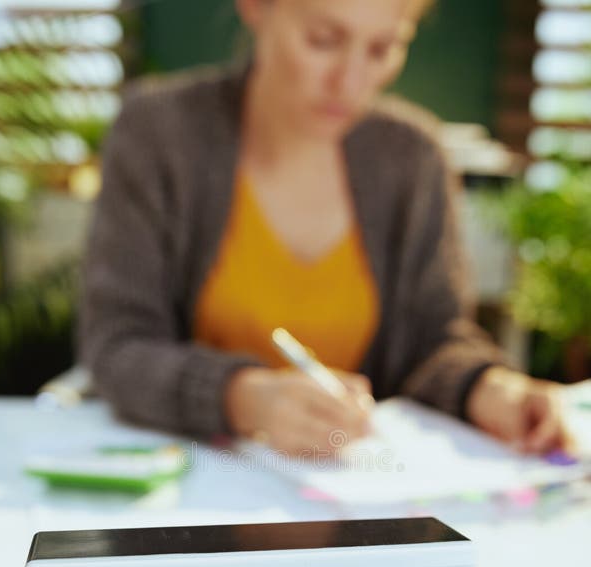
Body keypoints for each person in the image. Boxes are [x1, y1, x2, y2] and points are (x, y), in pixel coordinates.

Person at [80, 0, 567, 456]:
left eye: (381, 49)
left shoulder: (413, 159)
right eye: (323, 40)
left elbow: (434, 341)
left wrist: (488, 387)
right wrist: (242, 398)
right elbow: (118, 345)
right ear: (255, 8)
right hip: (193, 487)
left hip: (356, 490)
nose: (351, 82)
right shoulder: (159, 134)